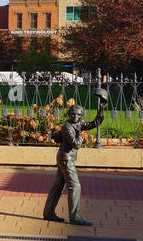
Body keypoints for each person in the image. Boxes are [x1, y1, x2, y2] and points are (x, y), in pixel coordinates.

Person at [42, 93, 108, 226]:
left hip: (65, 158)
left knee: (58, 185)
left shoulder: (77, 124)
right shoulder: (68, 127)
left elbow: (95, 123)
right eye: (73, 114)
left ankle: (48, 212)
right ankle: (75, 217)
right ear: (69, 114)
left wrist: (101, 108)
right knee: (75, 186)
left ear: (81, 116)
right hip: (66, 159)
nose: (76, 117)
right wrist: (81, 135)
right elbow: (76, 144)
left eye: (79, 115)